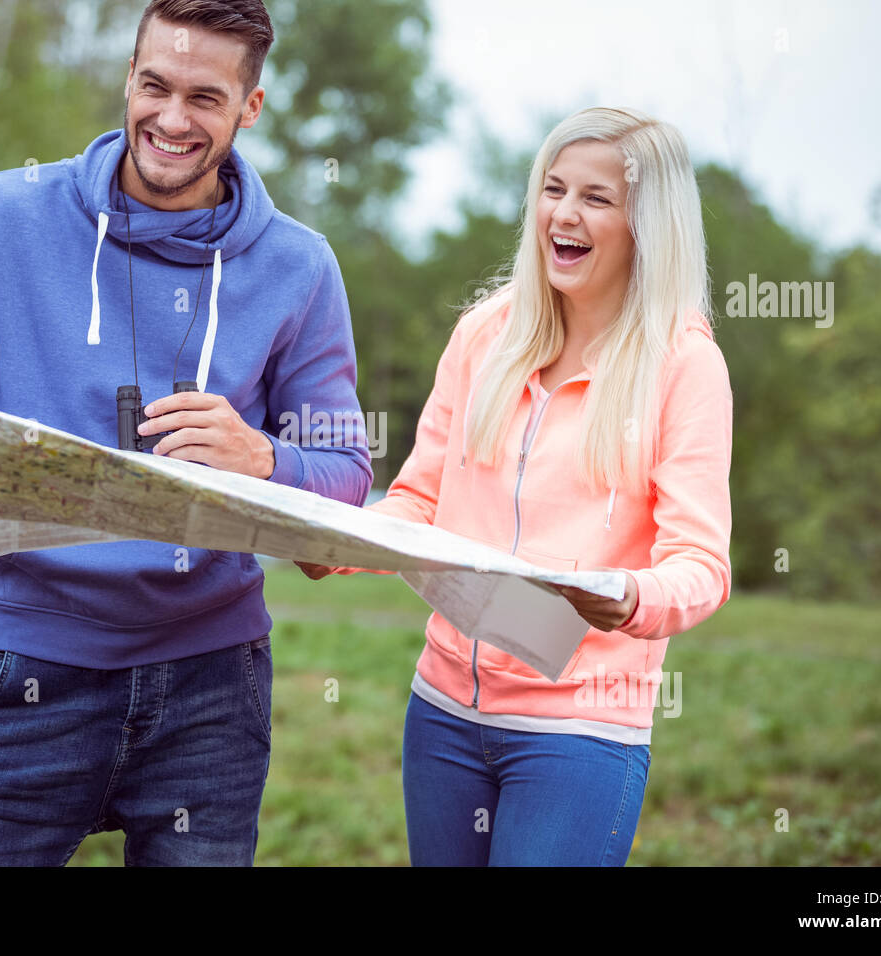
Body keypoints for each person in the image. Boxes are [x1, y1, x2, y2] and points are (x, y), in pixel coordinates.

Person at [0, 0, 371, 866]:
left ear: (251, 108)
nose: (171, 120)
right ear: (128, 78)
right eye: (153, 86)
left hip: (214, 685)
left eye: (205, 98)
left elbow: (347, 476)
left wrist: (263, 456)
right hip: (28, 670)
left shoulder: (301, 266)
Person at [298, 107, 733, 866]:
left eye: (596, 198)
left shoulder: (684, 365)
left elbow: (702, 564)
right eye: (553, 188)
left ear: (648, 225)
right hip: (441, 718)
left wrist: (629, 597)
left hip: (580, 734)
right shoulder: (483, 334)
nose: (563, 213)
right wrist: (338, 544)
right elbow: (419, 502)